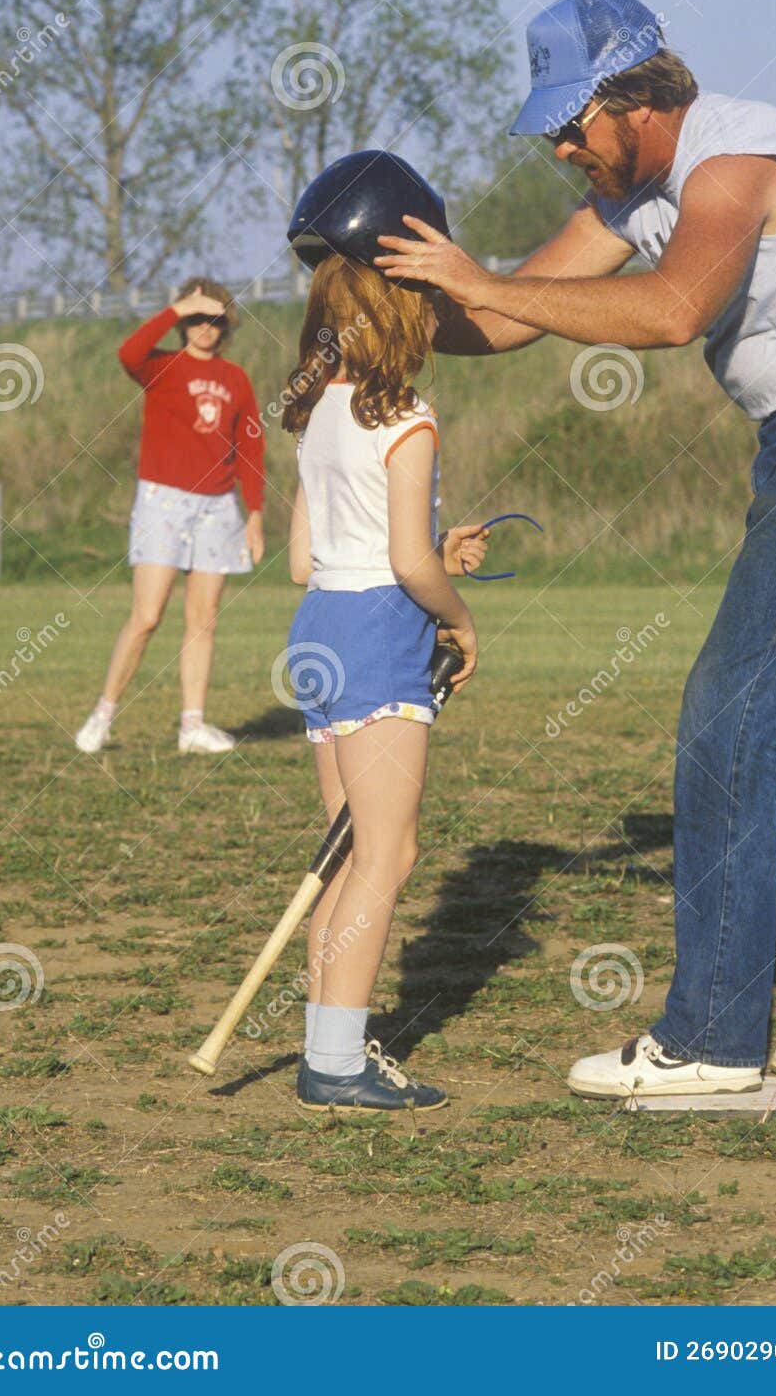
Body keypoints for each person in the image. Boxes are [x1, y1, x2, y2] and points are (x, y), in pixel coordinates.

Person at [376, 0, 776, 1094]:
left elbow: (673, 310)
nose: (557, 145)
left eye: (570, 121)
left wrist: (487, 280)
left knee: (727, 716)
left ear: (634, 95)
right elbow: (502, 316)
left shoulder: (731, 160)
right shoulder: (626, 195)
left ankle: (710, 1038)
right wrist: (387, 289)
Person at [283, 153, 489, 1112]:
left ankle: (324, 1043)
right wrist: (458, 613)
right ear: (410, 313)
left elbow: (307, 555)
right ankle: (335, 1062)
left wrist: (434, 550)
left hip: (318, 624)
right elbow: (409, 566)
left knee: (345, 849)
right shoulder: (407, 417)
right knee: (386, 854)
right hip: (376, 631)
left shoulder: (312, 412)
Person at [75, 277, 265, 757]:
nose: (205, 327)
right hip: (163, 501)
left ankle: (193, 725)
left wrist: (255, 513)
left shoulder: (236, 379)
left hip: (218, 507)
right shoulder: (160, 366)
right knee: (147, 615)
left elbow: (251, 448)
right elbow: (128, 353)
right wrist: (177, 307)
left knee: (203, 619)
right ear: (183, 321)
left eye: (214, 319)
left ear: (226, 326)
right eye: (196, 318)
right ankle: (103, 714)